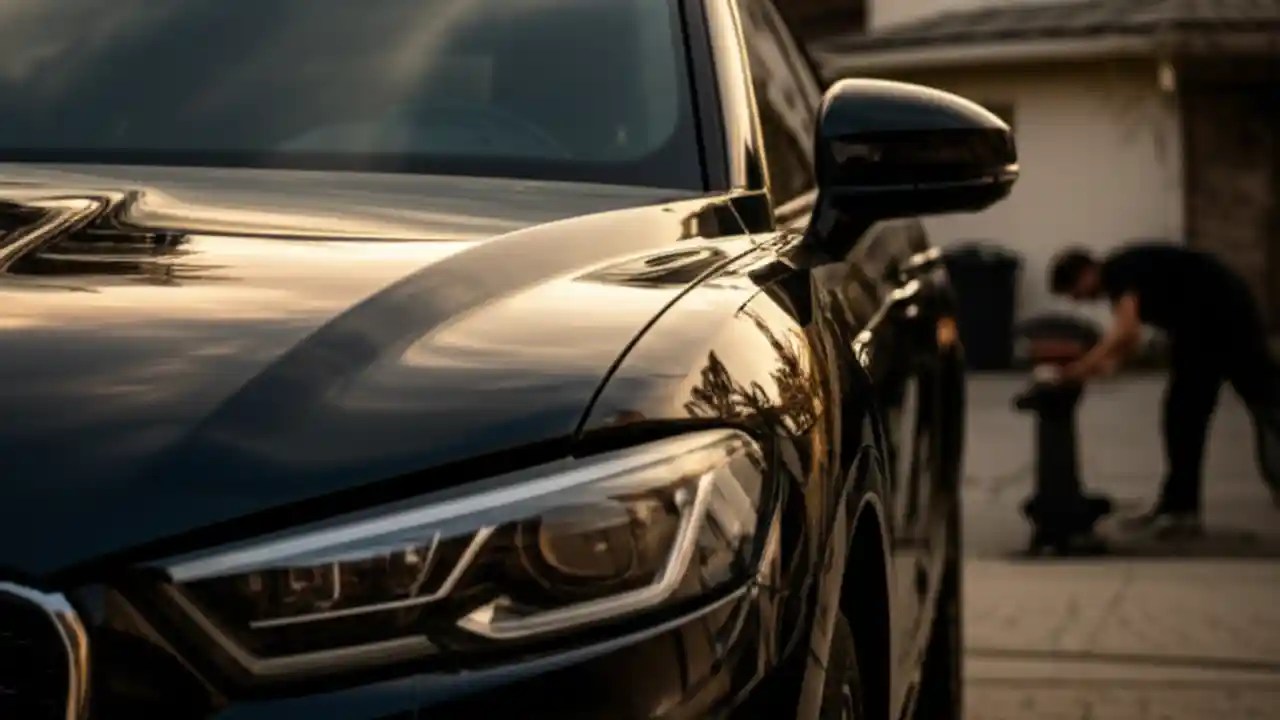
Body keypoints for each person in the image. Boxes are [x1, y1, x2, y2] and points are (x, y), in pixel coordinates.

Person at [1049, 241, 1280, 536]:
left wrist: (1077, 370)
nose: (1079, 300)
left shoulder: (1119, 271)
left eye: (1074, 292)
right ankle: (1178, 507)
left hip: (1222, 322)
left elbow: (1125, 333)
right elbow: (1128, 343)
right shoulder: (1123, 275)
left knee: (1255, 407)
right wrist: (1098, 368)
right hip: (1204, 326)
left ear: (1086, 273)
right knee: (1185, 416)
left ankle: (1180, 509)